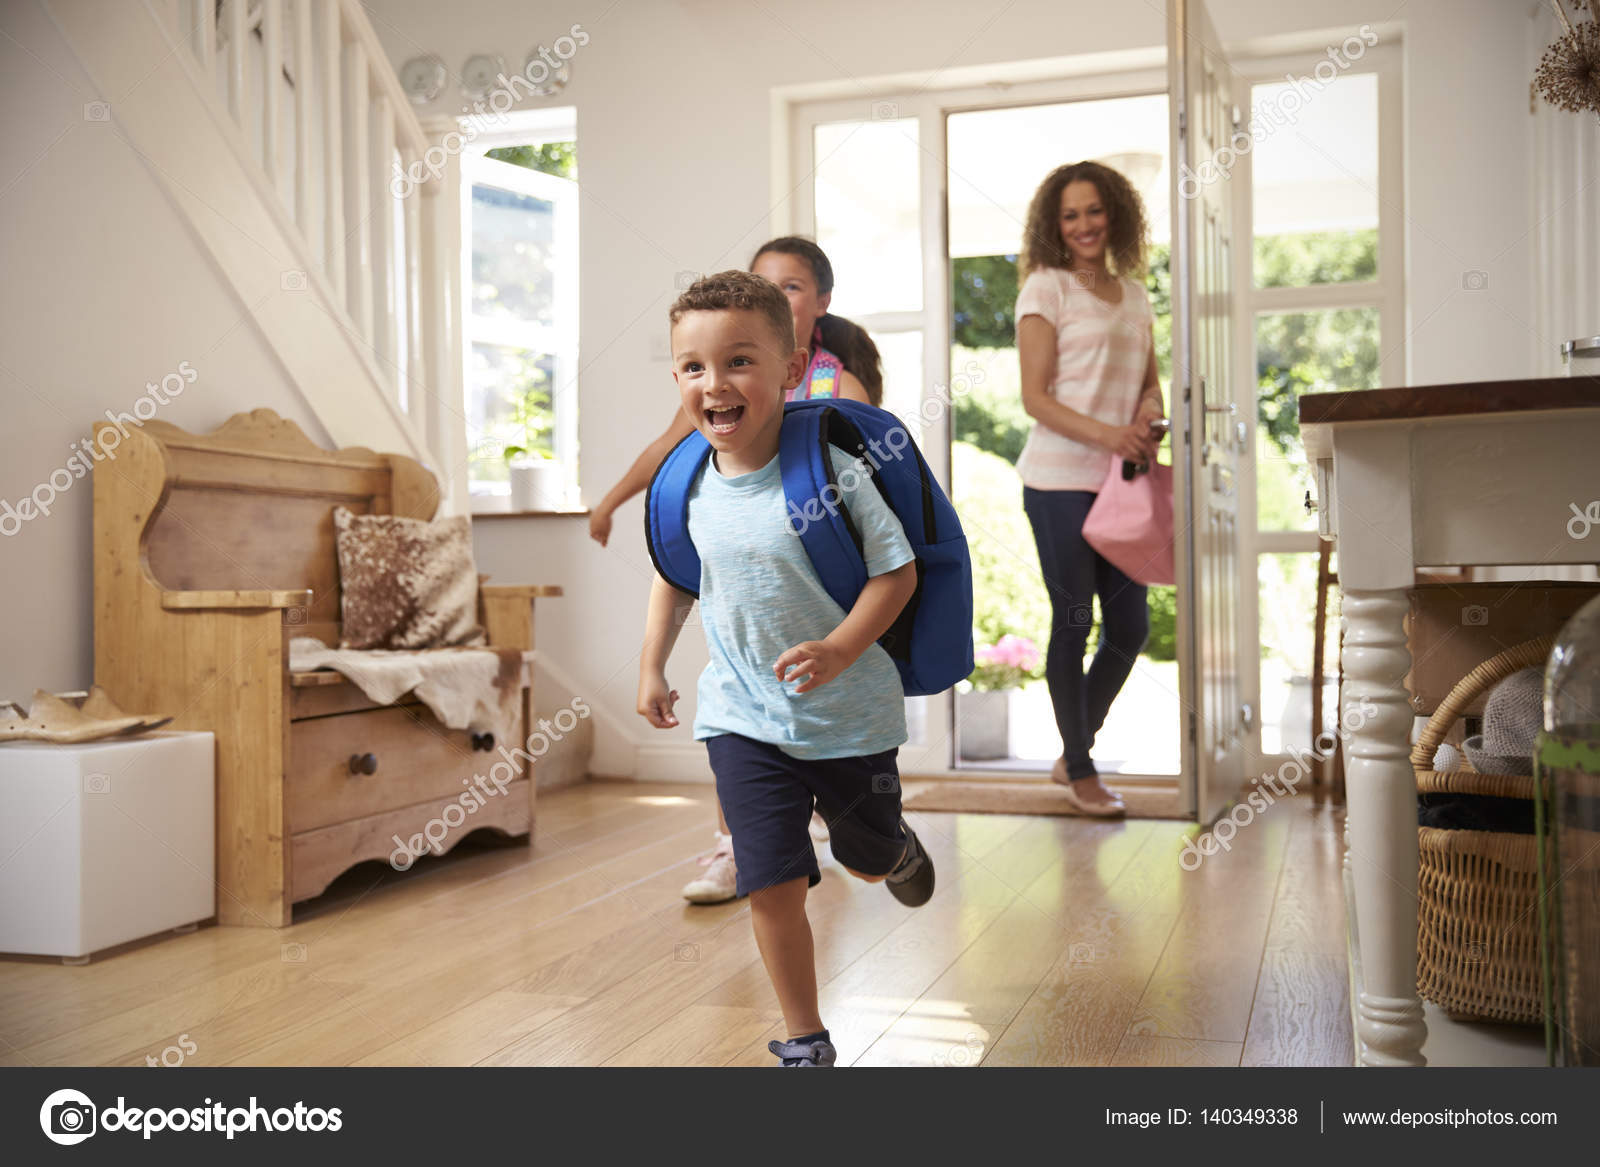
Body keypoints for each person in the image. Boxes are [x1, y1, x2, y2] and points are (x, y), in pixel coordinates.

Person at [637, 271, 933, 1066]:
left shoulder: (830, 473)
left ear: (791, 368)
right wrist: (652, 667)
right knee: (769, 878)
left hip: (849, 718)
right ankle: (806, 1038)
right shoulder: (686, 484)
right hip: (740, 715)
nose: (715, 384)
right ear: (677, 378)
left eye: (738, 361)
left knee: (863, 858)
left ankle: (892, 846)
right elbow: (675, 573)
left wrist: (840, 649)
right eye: (693, 367)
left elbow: (896, 573)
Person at [593, 237, 882, 904]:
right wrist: (611, 501)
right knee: (740, 723)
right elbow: (668, 453)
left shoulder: (838, 385)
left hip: (822, 604)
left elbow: (880, 483)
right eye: (760, 282)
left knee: (831, 769)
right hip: (743, 606)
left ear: (819, 304)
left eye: (790, 286)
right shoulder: (715, 392)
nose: (770, 295)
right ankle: (740, 848)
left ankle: (868, 834)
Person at [1014, 161, 1166, 816]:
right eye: (1070, 214)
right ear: (1055, 224)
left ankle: (1076, 746)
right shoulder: (1045, 288)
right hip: (1057, 481)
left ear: (1117, 216)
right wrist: (1111, 435)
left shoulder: (1134, 294)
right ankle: (1081, 769)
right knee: (1075, 622)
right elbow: (1035, 398)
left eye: (1094, 211)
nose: (1082, 225)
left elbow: (1150, 381)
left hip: (1120, 485)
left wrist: (1147, 419)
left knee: (1130, 626)